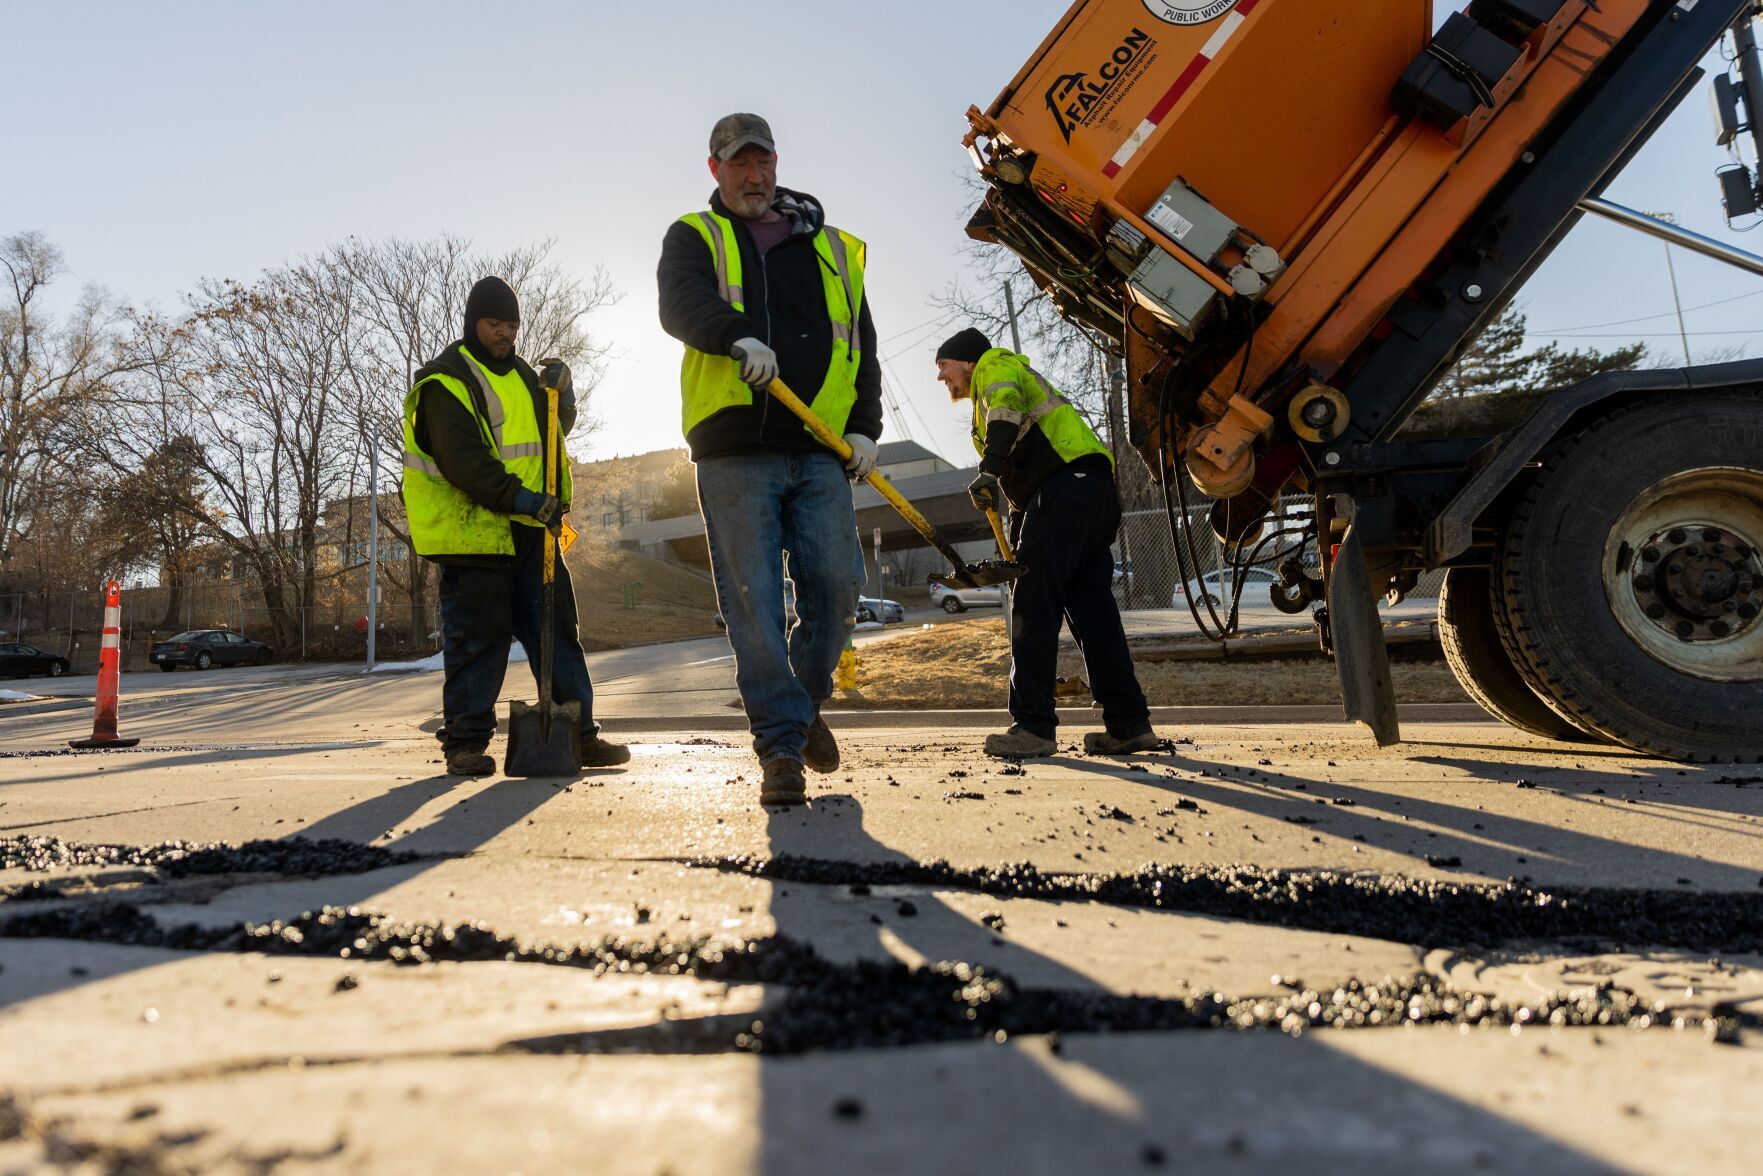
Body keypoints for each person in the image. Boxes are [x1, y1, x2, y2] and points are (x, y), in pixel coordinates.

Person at [658, 113, 882, 807]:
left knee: (839, 588)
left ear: (777, 164)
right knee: (753, 603)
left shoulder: (836, 250)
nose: (752, 176)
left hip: (820, 447)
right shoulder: (696, 236)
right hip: (734, 448)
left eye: (761, 163)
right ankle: (780, 747)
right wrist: (734, 336)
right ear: (715, 170)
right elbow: (678, 303)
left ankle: (800, 705)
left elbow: (862, 347)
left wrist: (866, 428)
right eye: (737, 164)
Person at [400, 276, 629, 776]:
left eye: (511, 325)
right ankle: (464, 745)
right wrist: (526, 500)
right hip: (476, 537)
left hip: (531, 531)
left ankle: (580, 735)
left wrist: (563, 398)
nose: (505, 333)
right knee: (477, 642)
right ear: (472, 323)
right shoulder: (446, 383)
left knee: (558, 635)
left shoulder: (525, 375)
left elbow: (551, 431)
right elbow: (467, 465)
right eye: (494, 324)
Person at [934, 327, 1159, 759]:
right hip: (1089, 493)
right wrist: (1017, 527)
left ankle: (1033, 726)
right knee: (1094, 614)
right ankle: (1129, 723)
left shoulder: (994, 367)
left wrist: (989, 469)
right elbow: (1029, 465)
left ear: (966, 360)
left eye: (943, 366)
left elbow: (1006, 410)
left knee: (1033, 608)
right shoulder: (1003, 386)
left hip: (1061, 492)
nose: (941, 378)